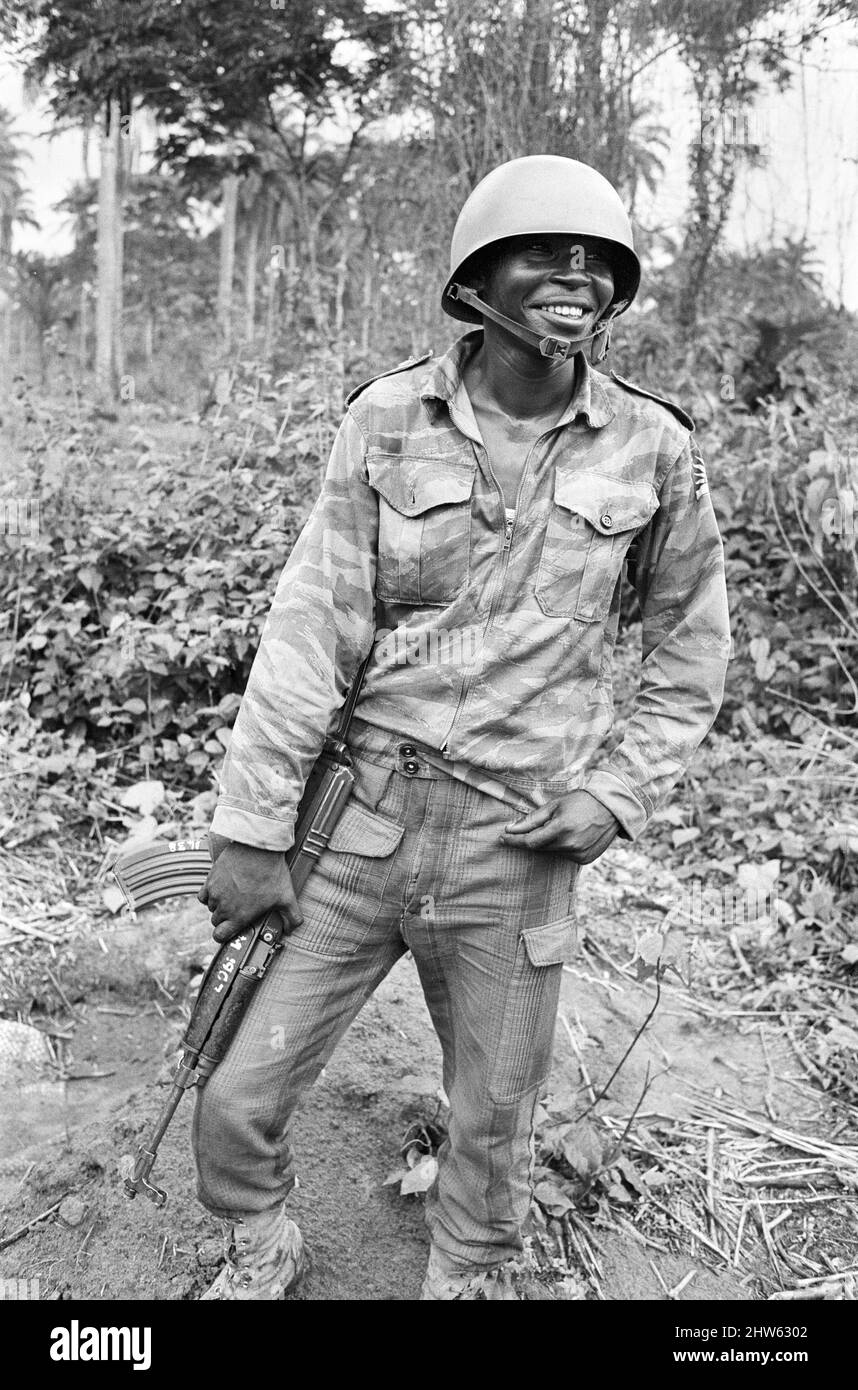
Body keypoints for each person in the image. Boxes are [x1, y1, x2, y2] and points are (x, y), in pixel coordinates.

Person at [195, 155, 731, 1301]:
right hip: (363, 822)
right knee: (239, 1089)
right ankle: (257, 1239)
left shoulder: (653, 449)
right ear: (479, 280)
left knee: (494, 1111)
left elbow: (693, 648)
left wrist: (617, 794)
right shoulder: (388, 418)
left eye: (599, 266)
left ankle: (469, 1275)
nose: (576, 281)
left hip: (520, 843)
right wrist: (252, 824)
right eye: (545, 256)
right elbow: (311, 629)